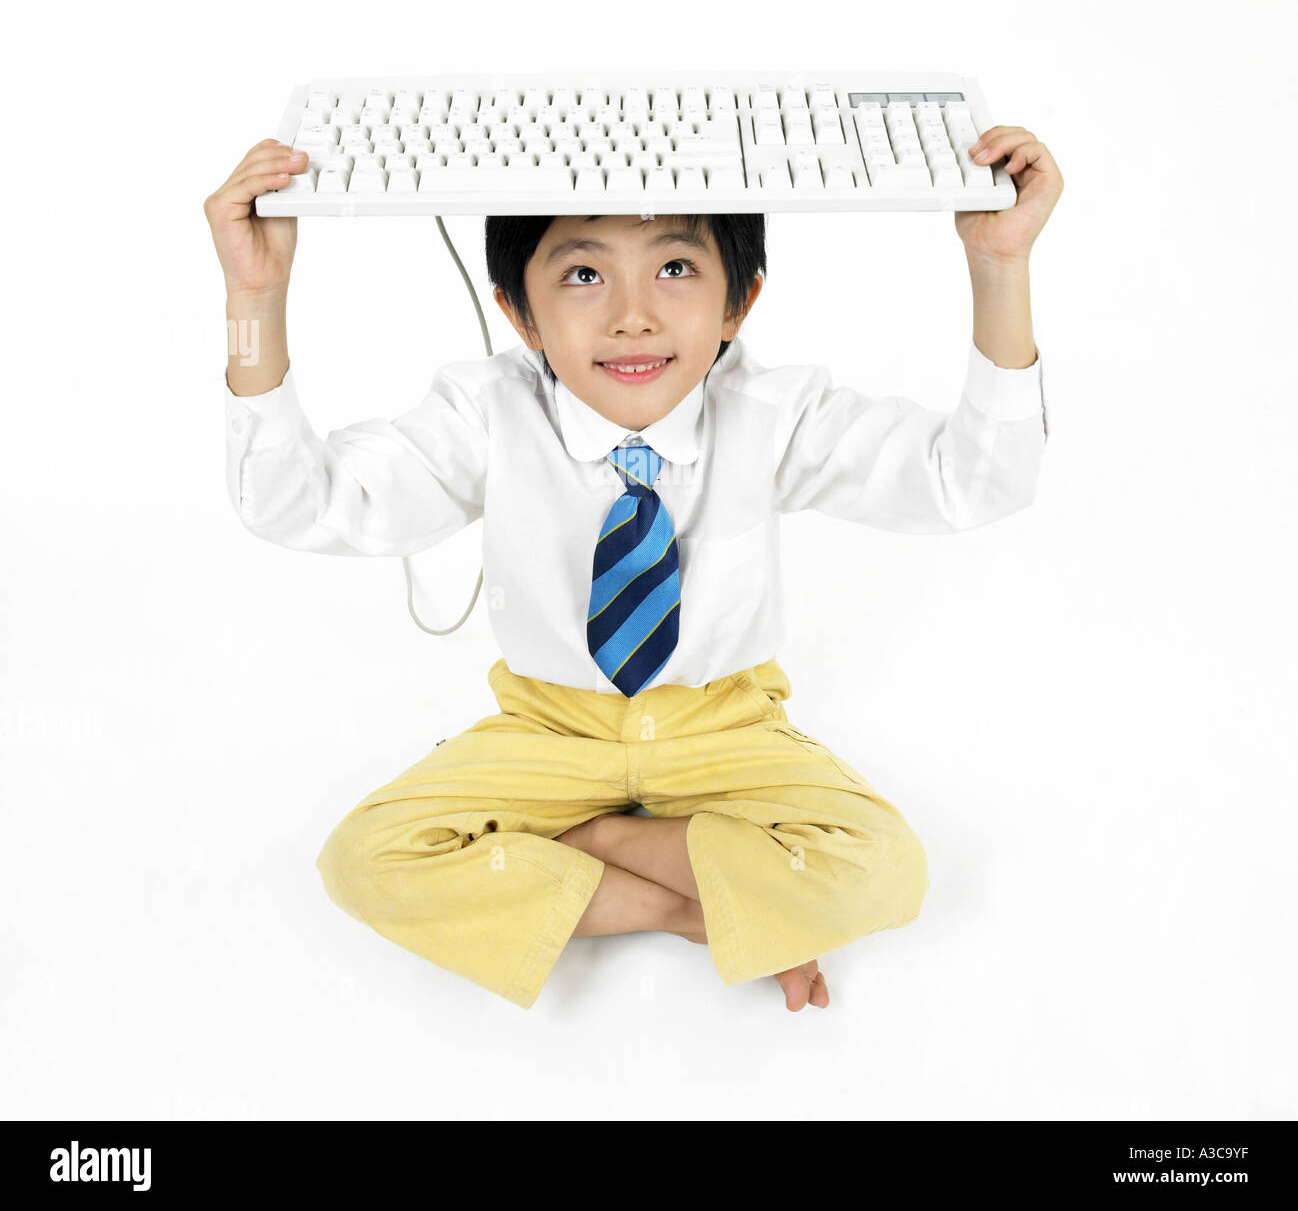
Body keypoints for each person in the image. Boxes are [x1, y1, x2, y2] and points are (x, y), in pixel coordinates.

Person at [204, 124, 1062, 1011]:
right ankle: (708, 913)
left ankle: (597, 849)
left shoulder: (773, 411)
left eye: (677, 268)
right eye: (582, 274)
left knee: (884, 871)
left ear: (741, 302)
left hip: (724, 729)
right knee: (364, 860)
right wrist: (254, 298)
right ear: (517, 311)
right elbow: (297, 502)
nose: (632, 315)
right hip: (550, 734)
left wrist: (1000, 267)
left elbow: (975, 480)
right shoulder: (487, 411)